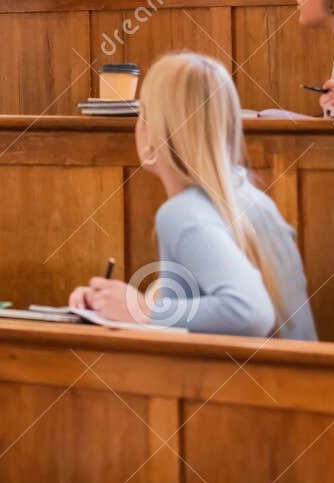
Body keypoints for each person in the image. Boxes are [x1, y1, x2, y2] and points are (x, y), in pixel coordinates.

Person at [69, 52, 316, 340]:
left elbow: (251, 313)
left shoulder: (182, 212)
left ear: (153, 132)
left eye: (143, 112)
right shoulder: (251, 198)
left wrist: (142, 310)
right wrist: (116, 304)